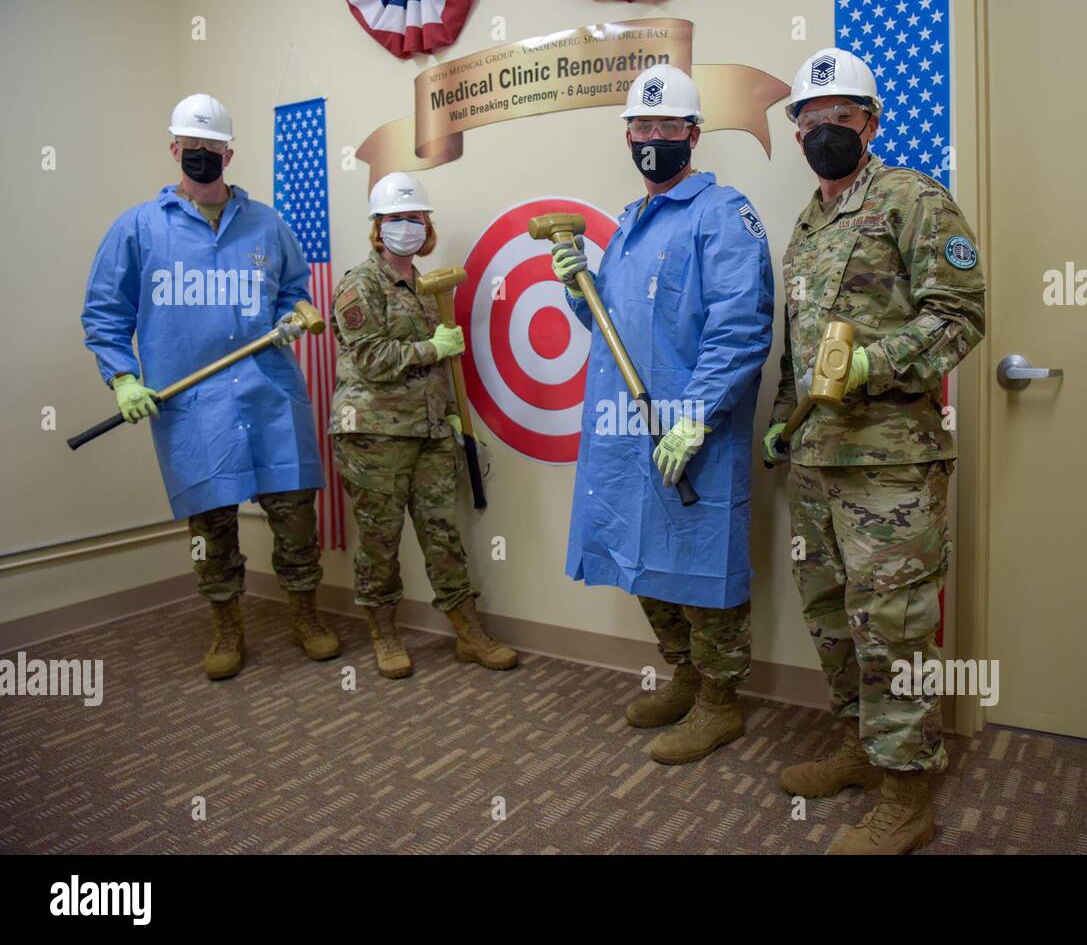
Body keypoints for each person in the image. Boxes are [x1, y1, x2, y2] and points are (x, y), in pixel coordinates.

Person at [764, 48, 986, 854]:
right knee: (832, 619)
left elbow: (961, 313)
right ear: (796, 132)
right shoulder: (808, 221)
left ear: (872, 120)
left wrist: (876, 363)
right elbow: (800, 347)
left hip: (892, 462)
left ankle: (907, 790)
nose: (826, 129)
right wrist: (786, 417)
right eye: (811, 118)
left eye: (842, 115)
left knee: (891, 625)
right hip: (818, 463)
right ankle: (860, 746)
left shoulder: (912, 199)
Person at [550, 65, 773, 764]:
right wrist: (577, 288)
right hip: (625, 433)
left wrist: (697, 416)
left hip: (691, 434)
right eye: (641, 127)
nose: (652, 139)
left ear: (692, 134)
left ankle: (720, 701)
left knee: (702, 566)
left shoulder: (722, 215)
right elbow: (617, 326)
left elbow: (740, 327)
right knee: (643, 558)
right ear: (628, 134)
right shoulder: (627, 222)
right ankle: (682, 675)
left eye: (666, 127)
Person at [82, 93, 338, 681]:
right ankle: (226, 628)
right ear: (174, 149)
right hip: (191, 406)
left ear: (229, 153)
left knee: (296, 517)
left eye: (212, 149)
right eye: (191, 148)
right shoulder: (139, 229)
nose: (201, 157)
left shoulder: (267, 224)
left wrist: (294, 315)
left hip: (270, 395)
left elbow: (293, 291)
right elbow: (104, 313)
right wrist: (123, 378)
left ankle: (306, 617)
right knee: (210, 527)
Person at [329, 172, 517, 678]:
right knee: (380, 538)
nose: (406, 227)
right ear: (377, 227)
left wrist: (448, 408)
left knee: (442, 532)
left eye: (414, 218)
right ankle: (384, 634)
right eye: (395, 219)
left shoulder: (425, 285)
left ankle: (468, 632)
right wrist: (430, 349)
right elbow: (368, 357)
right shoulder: (359, 283)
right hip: (375, 436)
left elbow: (438, 364)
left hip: (430, 430)